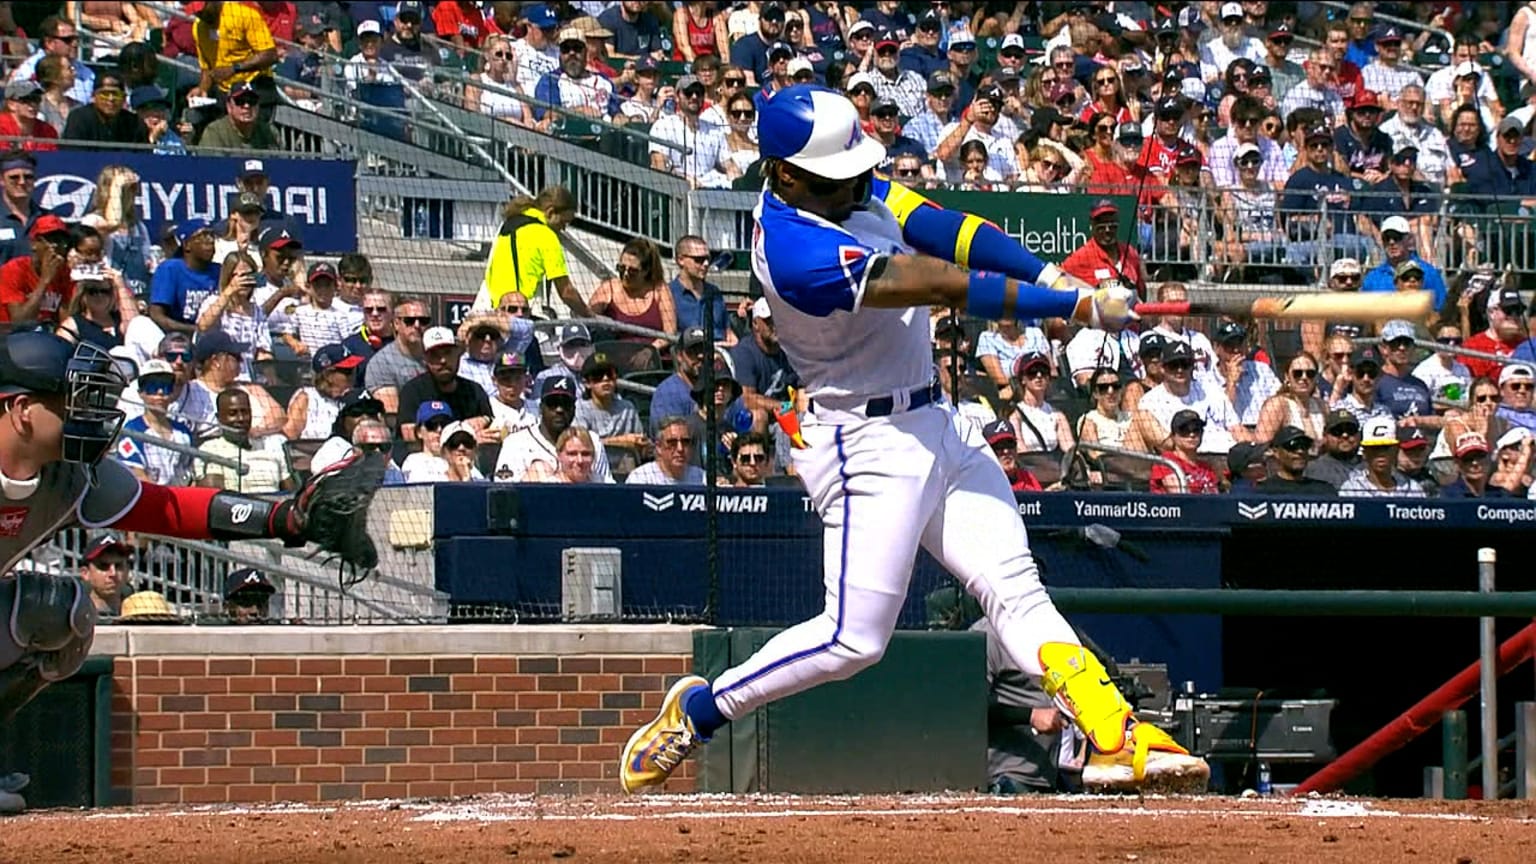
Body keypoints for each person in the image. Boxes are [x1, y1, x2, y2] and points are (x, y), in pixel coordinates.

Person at [619, 84, 1205, 796]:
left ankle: (1112, 733)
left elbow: (949, 230)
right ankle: (705, 708)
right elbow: (938, 281)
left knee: (1016, 591)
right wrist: (1072, 304)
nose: (861, 184)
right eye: (840, 177)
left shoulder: (845, 183)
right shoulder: (796, 248)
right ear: (785, 174)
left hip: (936, 419)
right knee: (852, 640)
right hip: (865, 442)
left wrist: (1051, 272)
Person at [0, 332, 381, 814]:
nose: (87, 417)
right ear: (21, 411)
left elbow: (169, 507)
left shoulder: (72, 476)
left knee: (64, 615)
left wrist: (283, 518)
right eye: (69, 403)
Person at [476, 185, 591, 318]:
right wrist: (589, 314)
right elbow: (566, 291)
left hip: (492, 311)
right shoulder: (546, 236)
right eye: (564, 222)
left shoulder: (507, 225)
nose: (563, 228)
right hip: (521, 314)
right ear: (550, 212)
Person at [1338, 415, 1426, 497]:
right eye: (1375, 448)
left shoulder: (1413, 488)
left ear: (1395, 450)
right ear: (1364, 452)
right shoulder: (1351, 489)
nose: (1380, 454)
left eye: (1386, 448)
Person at [1149, 409, 1221, 494]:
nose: (1192, 435)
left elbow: (1215, 498)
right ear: (1173, 436)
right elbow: (1180, 495)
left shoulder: (1206, 468)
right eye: (1184, 430)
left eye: (1196, 430)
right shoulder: (1166, 462)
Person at [1252, 425, 1336, 496]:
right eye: (1292, 446)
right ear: (1276, 452)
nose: (1300, 451)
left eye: (1304, 446)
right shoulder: (1264, 490)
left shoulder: (1324, 491)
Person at [625, 415, 707, 485]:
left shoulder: (701, 479)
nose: (680, 448)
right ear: (659, 447)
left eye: (685, 442)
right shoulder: (640, 478)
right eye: (672, 443)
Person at [521, 427, 600, 484]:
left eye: (585, 454)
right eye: (572, 454)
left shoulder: (603, 483)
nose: (580, 460)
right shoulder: (548, 486)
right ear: (559, 455)